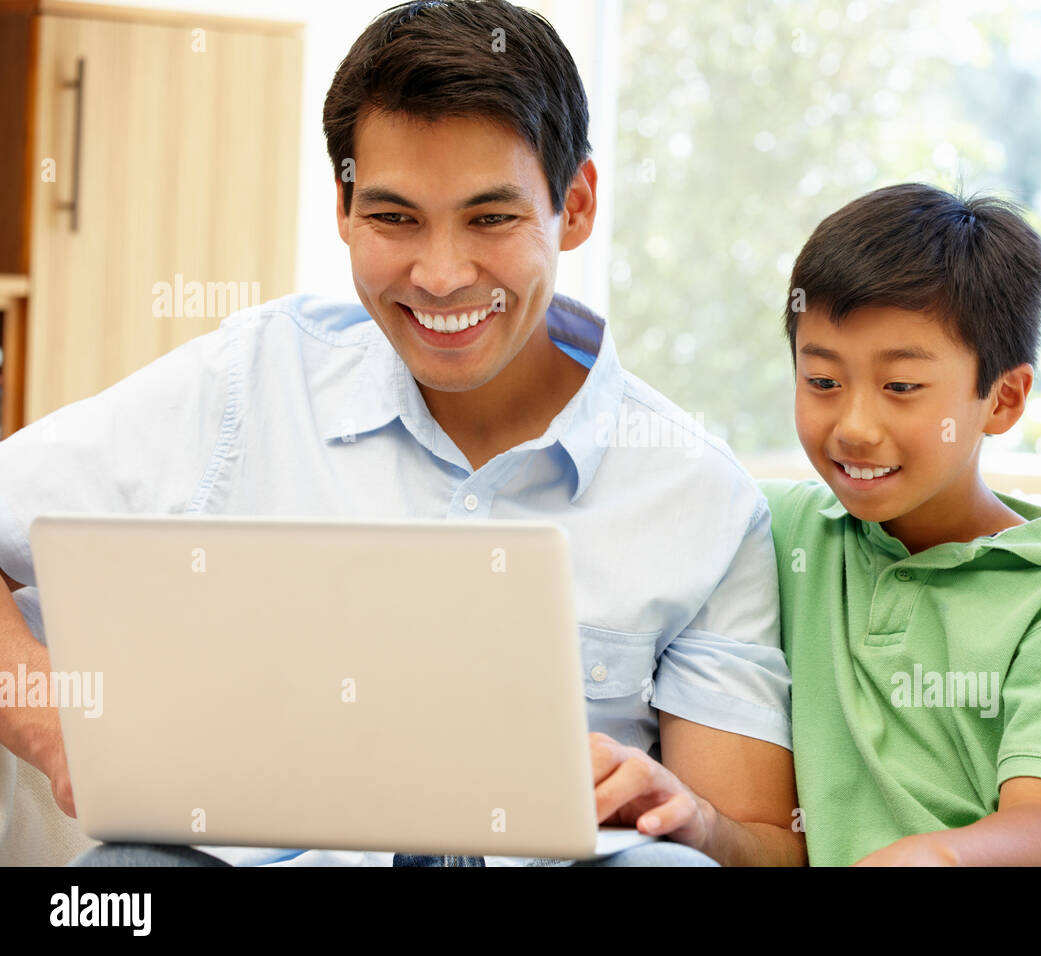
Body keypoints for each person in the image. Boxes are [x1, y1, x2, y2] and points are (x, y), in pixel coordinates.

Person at [0, 0, 802, 867]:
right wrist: (56, 729)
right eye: (395, 218)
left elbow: (757, 840)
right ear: (345, 207)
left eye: (490, 218)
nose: (441, 275)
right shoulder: (248, 383)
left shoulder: (699, 496)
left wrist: (690, 818)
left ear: (574, 206)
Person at [759, 182, 1041, 866]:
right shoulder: (776, 531)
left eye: (901, 387)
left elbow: (1040, 832)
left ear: (1002, 399)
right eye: (822, 382)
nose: (854, 427)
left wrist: (925, 860)